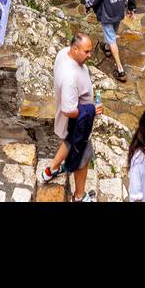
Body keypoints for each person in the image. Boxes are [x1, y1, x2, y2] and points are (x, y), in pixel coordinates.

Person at [44, 32, 101, 200]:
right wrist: (91, 110)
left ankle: (51, 170)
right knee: (83, 158)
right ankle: (79, 196)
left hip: (71, 127)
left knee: (68, 143)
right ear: (75, 49)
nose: (90, 55)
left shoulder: (64, 53)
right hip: (77, 125)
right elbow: (69, 110)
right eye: (86, 52)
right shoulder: (70, 77)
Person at [89, 0, 135, 82]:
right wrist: (131, 7)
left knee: (111, 37)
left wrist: (88, 4)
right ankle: (107, 47)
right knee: (111, 33)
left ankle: (120, 70)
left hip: (107, 11)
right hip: (119, 8)